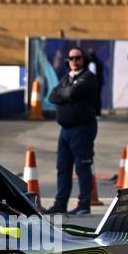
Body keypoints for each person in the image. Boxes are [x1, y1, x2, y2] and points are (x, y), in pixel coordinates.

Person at [43, 47, 98, 217]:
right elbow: (52, 96)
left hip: (82, 128)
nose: (74, 61)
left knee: (82, 167)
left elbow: (73, 92)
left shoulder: (88, 77)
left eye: (78, 58)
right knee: (63, 168)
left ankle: (83, 204)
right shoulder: (67, 77)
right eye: (71, 58)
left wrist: (65, 93)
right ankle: (60, 204)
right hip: (65, 130)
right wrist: (66, 94)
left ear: (83, 59)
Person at [86, 48, 105, 118]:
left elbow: (92, 74)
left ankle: (95, 113)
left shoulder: (91, 63)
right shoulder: (98, 61)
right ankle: (97, 113)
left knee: (93, 98)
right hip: (98, 82)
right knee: (97, 98)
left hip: (94, 83)